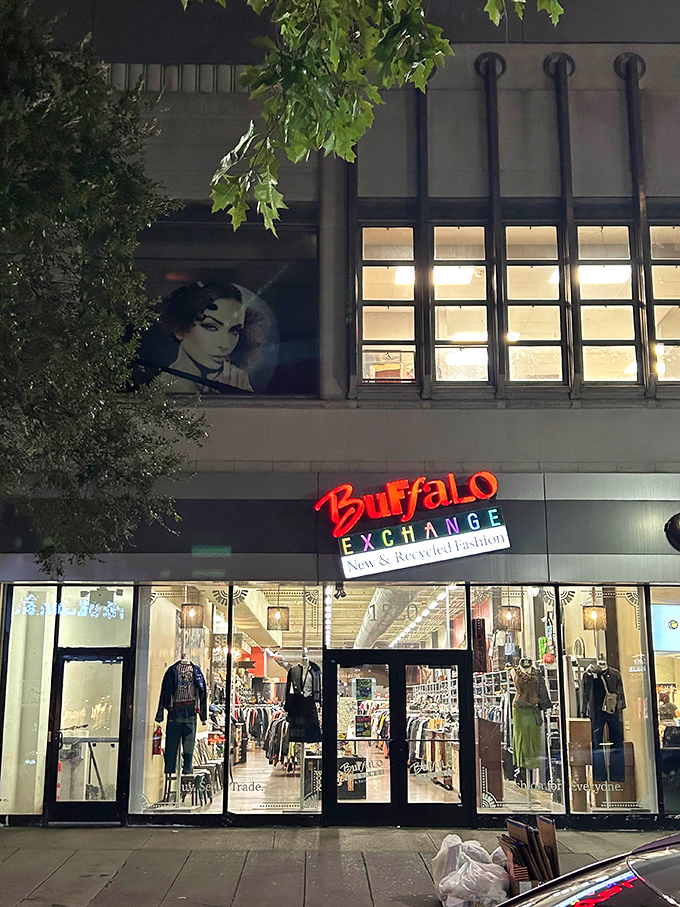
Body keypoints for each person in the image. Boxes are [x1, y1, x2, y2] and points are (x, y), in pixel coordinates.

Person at [159, 281, 254, 393]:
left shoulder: (234, 383)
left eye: (234, 330)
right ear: (180, 330)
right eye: (211, 327)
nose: (225, 344)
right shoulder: (160, 390)